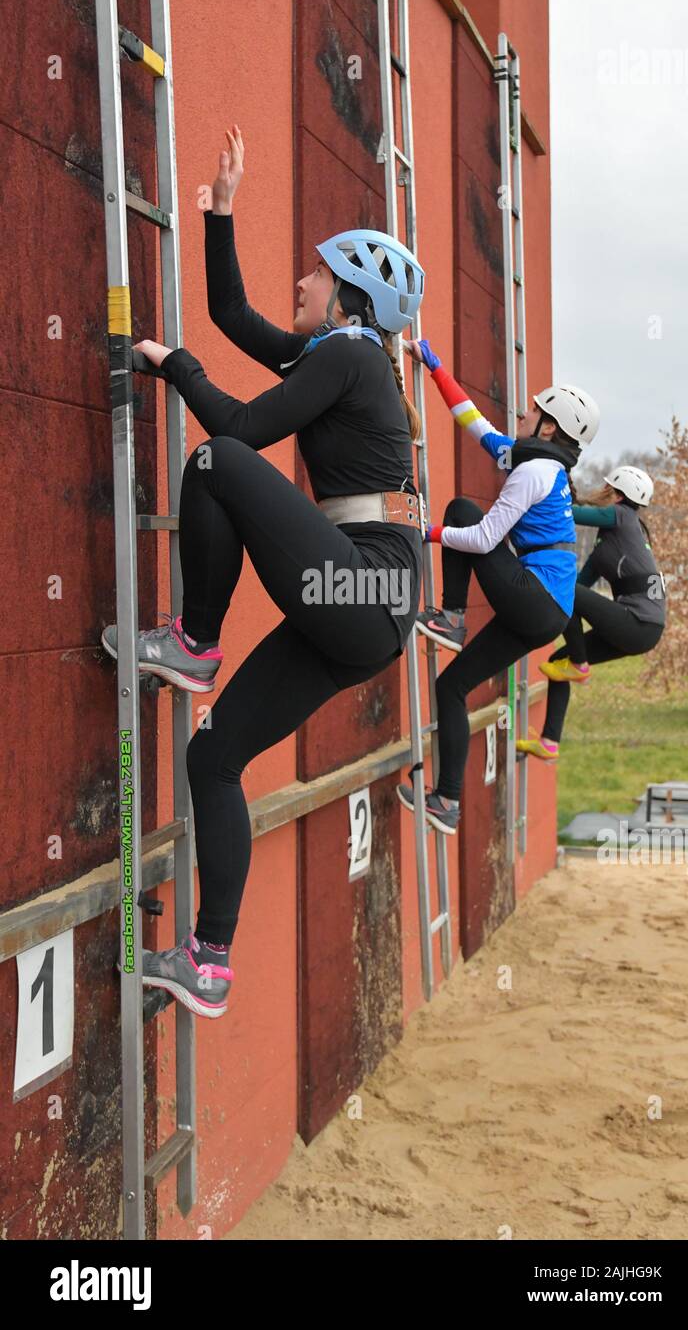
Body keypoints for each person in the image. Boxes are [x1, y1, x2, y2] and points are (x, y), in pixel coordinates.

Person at [102, 125, 426, 1018]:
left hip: (365, 585)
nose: (302, 283)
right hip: (363, 608)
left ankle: (194, 643)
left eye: (316, 275)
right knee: (215, 755)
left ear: (351, 295)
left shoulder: (354, 357)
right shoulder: (337, 359)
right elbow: (235, 315)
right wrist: (220, 212)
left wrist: (174, 368)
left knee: (217, 462)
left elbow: (241, 429)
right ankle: (209, 962)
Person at [395, 338, 600, 835]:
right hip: (543, 610)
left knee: (463, 512)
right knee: (452, 686)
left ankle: (451, 616)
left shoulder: (533, 470)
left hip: (537, 598)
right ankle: (447, 800)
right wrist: (437, 367)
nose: (524, 414)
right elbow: (475, 424)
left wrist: (424, 531)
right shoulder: (535, 460)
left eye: (533, 411)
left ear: (549, 427)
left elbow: (485, 537)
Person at [517, 465, 666, 762]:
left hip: (639, 623)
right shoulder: (605, 546)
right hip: (643, 629)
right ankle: (549, 742)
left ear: (617, 493)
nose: (602, 489)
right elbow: (575, 591)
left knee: (566, 588)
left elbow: (571, 514)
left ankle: (580, 664)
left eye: (607, 486)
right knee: (558, 661)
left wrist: (532, 501)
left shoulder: (622, 516)